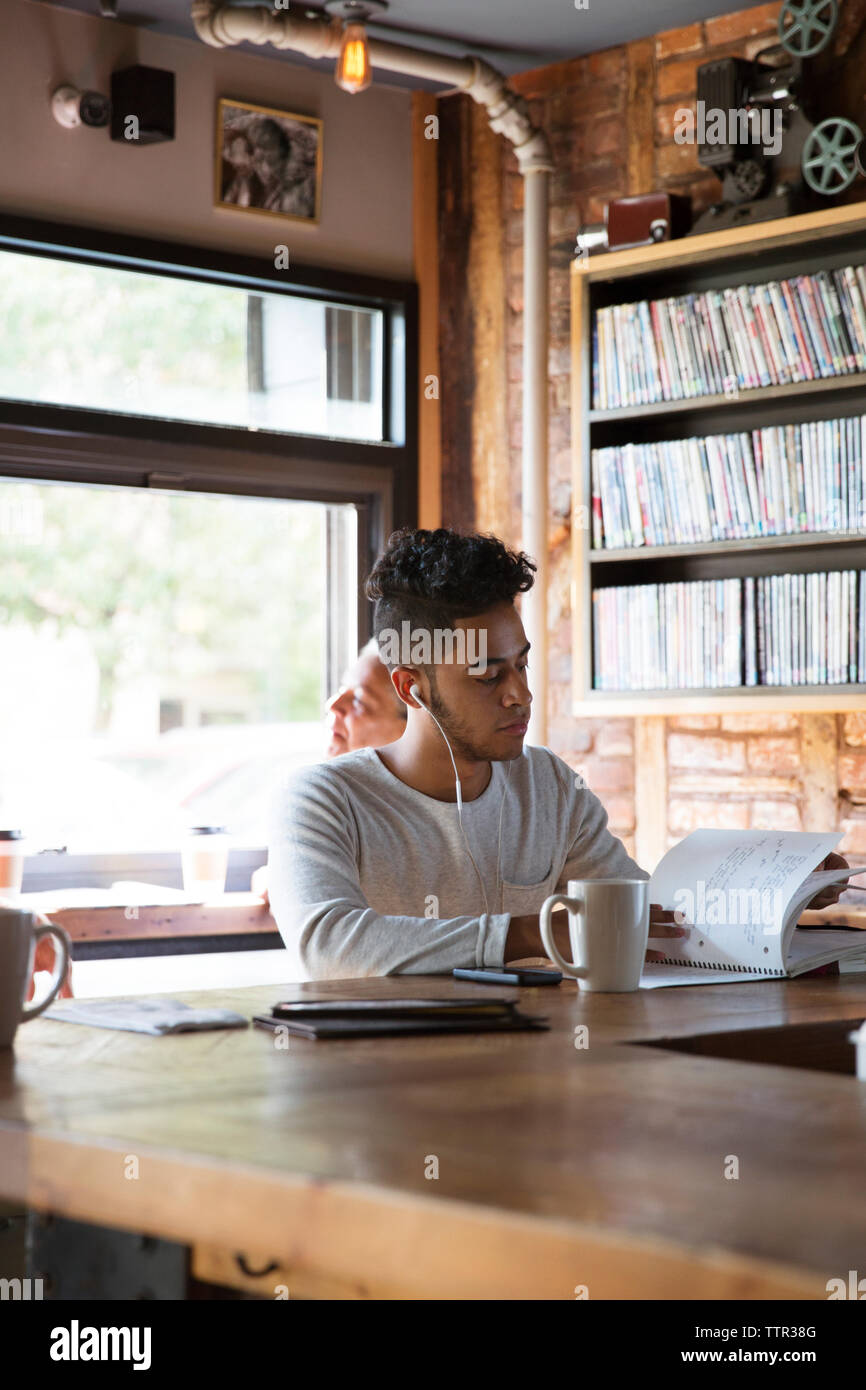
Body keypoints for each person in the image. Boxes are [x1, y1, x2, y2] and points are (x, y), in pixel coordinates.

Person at [266, 527, 848, 981]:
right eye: (487, 675)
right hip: (377, 1095)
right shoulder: (322, 799)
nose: (520, 693)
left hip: (537, 1078)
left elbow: (650, 915)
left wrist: (778, 894)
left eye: (520, 663)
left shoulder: (546, 783)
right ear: (411, 687)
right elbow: (329, 945)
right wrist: (528, 934)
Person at [251, 639, 406, 903]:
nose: (333, 704)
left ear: (412, 727)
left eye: (359, 700)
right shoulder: (324, 802)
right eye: (343, 688)